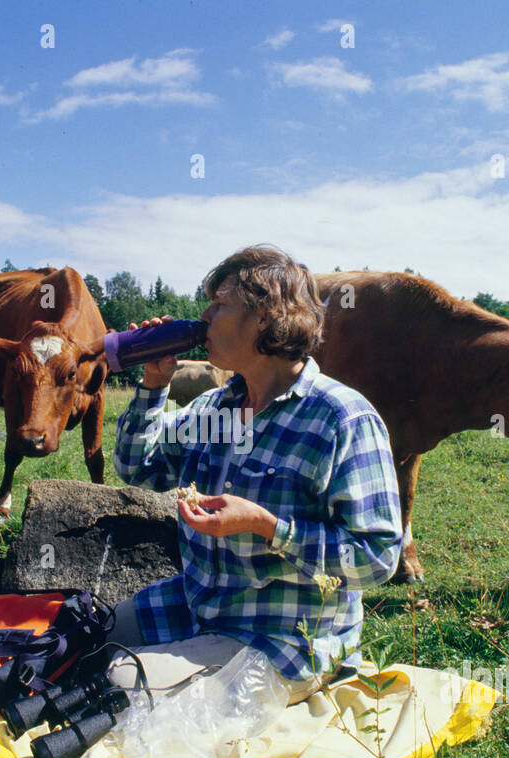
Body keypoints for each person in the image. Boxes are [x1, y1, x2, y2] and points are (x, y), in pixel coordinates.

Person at [108, 245, 404, 703]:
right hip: (199, 606)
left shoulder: (341, 419)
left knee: (122, 685)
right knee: (89, 636)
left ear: (267, 317)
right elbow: (137, 466)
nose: (204, 316)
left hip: (286, 637)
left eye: (220, 303)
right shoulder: (215, 408)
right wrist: (153, 383)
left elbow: (379, 556)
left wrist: (268, 528)